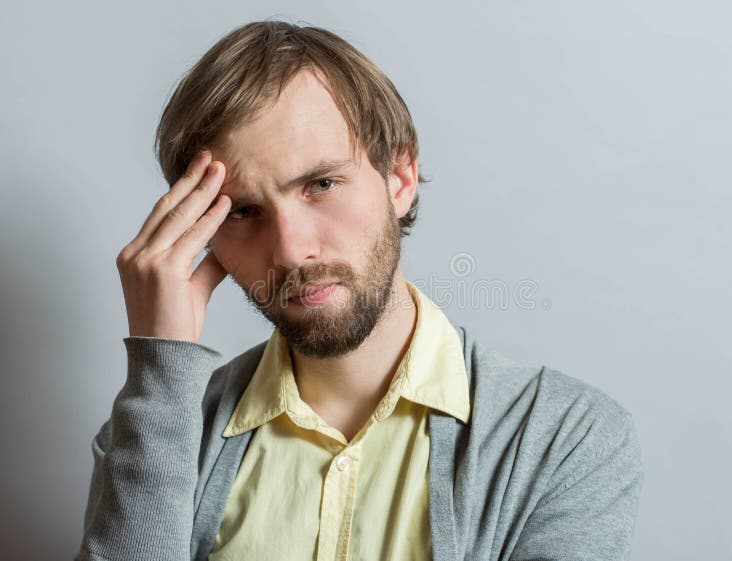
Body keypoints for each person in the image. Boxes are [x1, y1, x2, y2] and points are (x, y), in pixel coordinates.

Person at [74, 19, 644, 561]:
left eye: (321, 184)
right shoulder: (157, 434)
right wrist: (162, 361)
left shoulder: (564, 437)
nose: (292, 251)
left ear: (399, 179)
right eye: (243, 211)